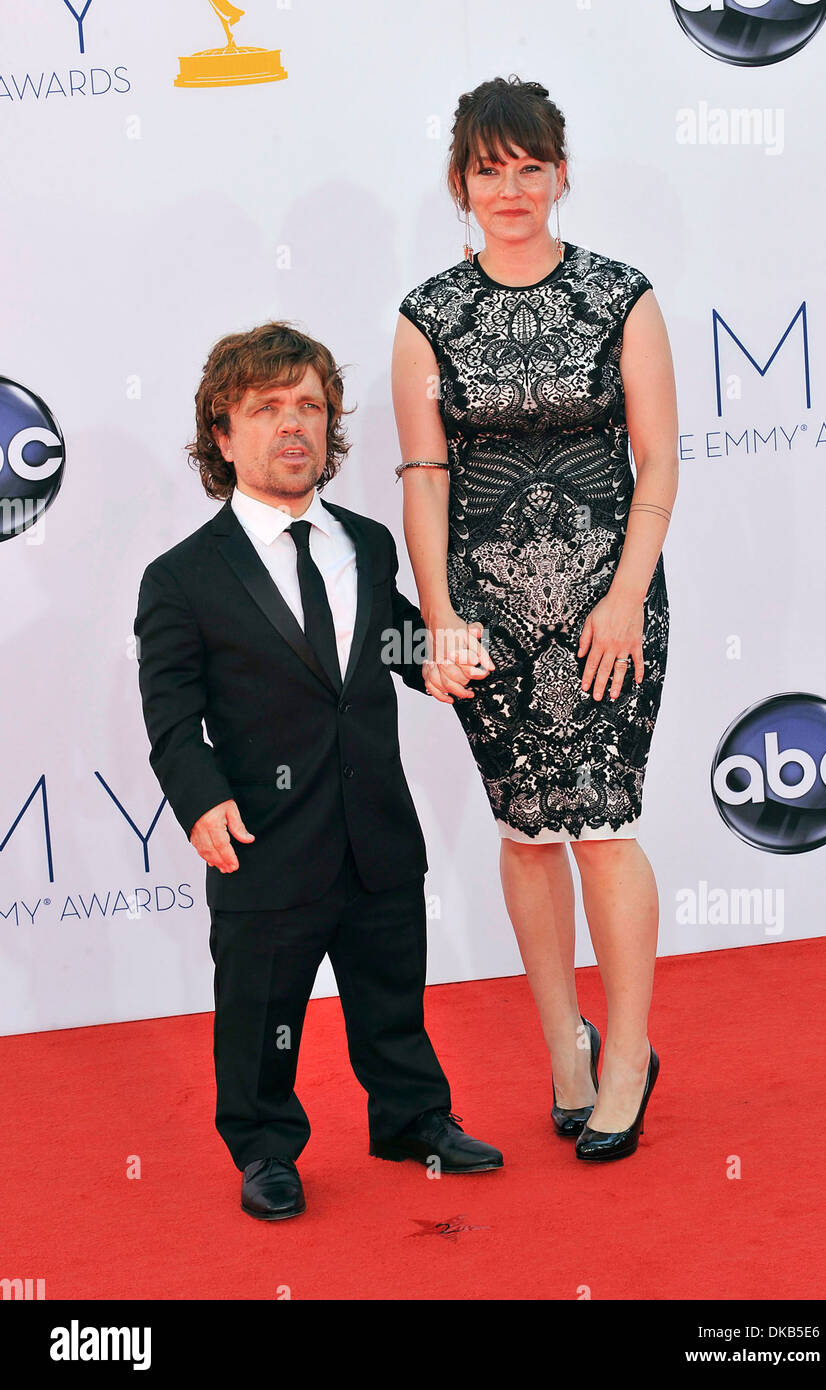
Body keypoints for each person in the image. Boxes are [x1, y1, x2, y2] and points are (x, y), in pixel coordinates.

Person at [133, 322, 503, 1219]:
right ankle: (265, 1149)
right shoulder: (181, 578)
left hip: (375, 826)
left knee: (392, 997)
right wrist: (202, 798)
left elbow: (398, 640)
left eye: (310, 405)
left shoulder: (369, 544)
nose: (293, 424)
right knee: (263, 1016)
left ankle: (412, 1117)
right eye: (266, 408)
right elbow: (172, 715)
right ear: (221, 434)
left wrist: (441, 658)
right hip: (265, 841)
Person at [392, 76, 677, 1162]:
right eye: (487, 169)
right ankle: (565, 1045)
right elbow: (424, 478)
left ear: (561, 172)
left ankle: (627, 1057)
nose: (510, 189)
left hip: (612, 607)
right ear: (459, 182)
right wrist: (444, 619)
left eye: (529, 167)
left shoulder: (620, 295)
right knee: (525, 838)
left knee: (602, 829)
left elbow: (658, 464)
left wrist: (623, 597)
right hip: (490, 618)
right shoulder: (428, 315)